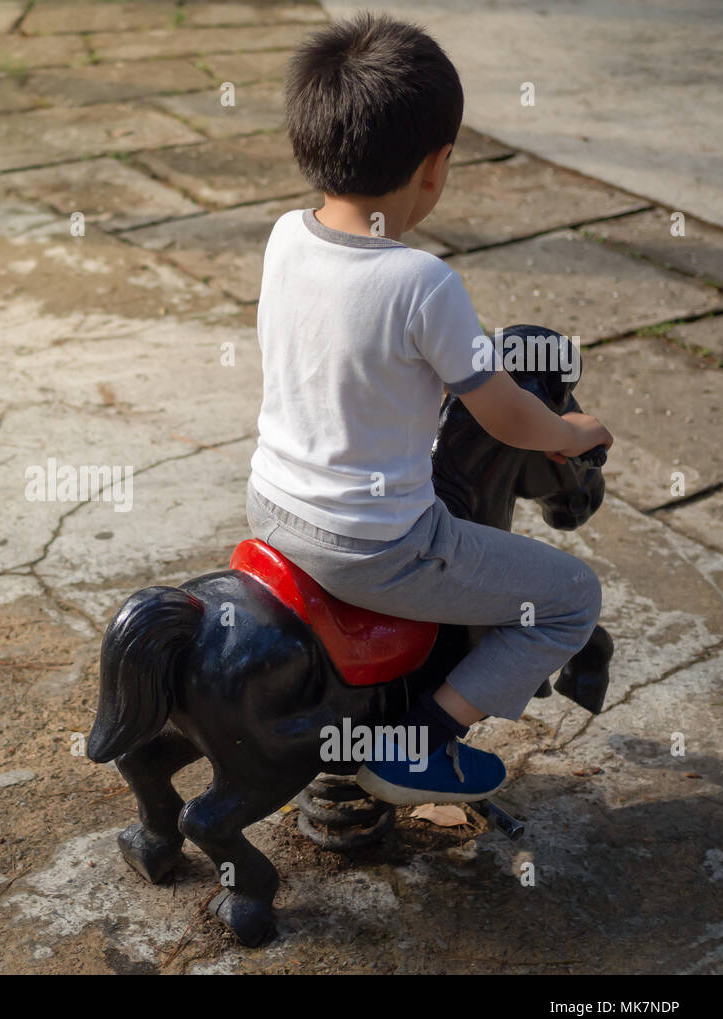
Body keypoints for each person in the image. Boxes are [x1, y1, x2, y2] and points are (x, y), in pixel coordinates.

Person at [246, 13, 613, 803]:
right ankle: (417, 745)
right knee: (572, 597)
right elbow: (505, 416)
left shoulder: (283, 236)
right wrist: (571, 431)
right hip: (379, 544)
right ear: (435, 166)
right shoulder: (423, 283)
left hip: (271, 507)